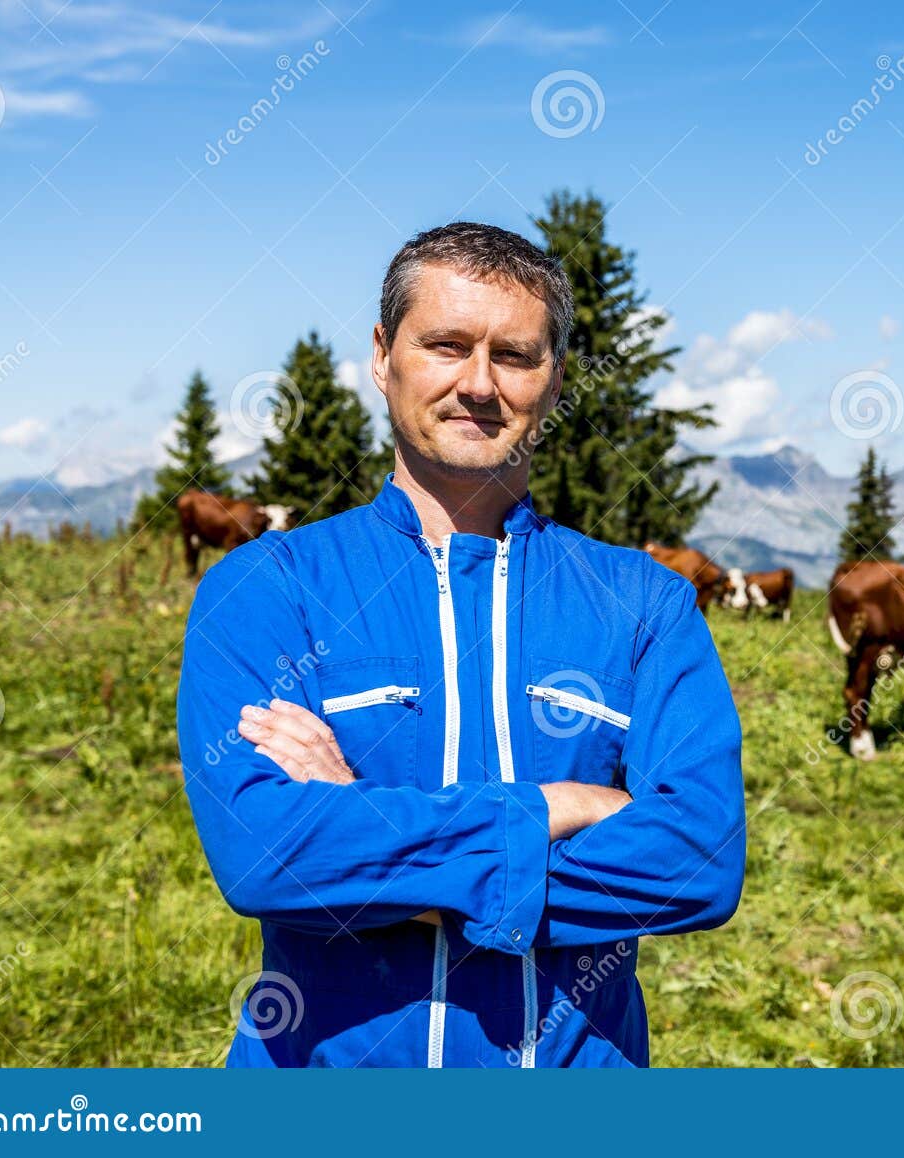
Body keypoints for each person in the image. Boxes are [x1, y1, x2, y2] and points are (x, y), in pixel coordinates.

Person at [176, 222, 746, 1068]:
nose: (478, 384)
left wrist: (363, 823)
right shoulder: (268, 587)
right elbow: (266, 855)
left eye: (514, 356)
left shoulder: (644, 604)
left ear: (554, 380)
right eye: (445, 345)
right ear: (382, 355)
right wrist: (562, 808)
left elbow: (698, 859)